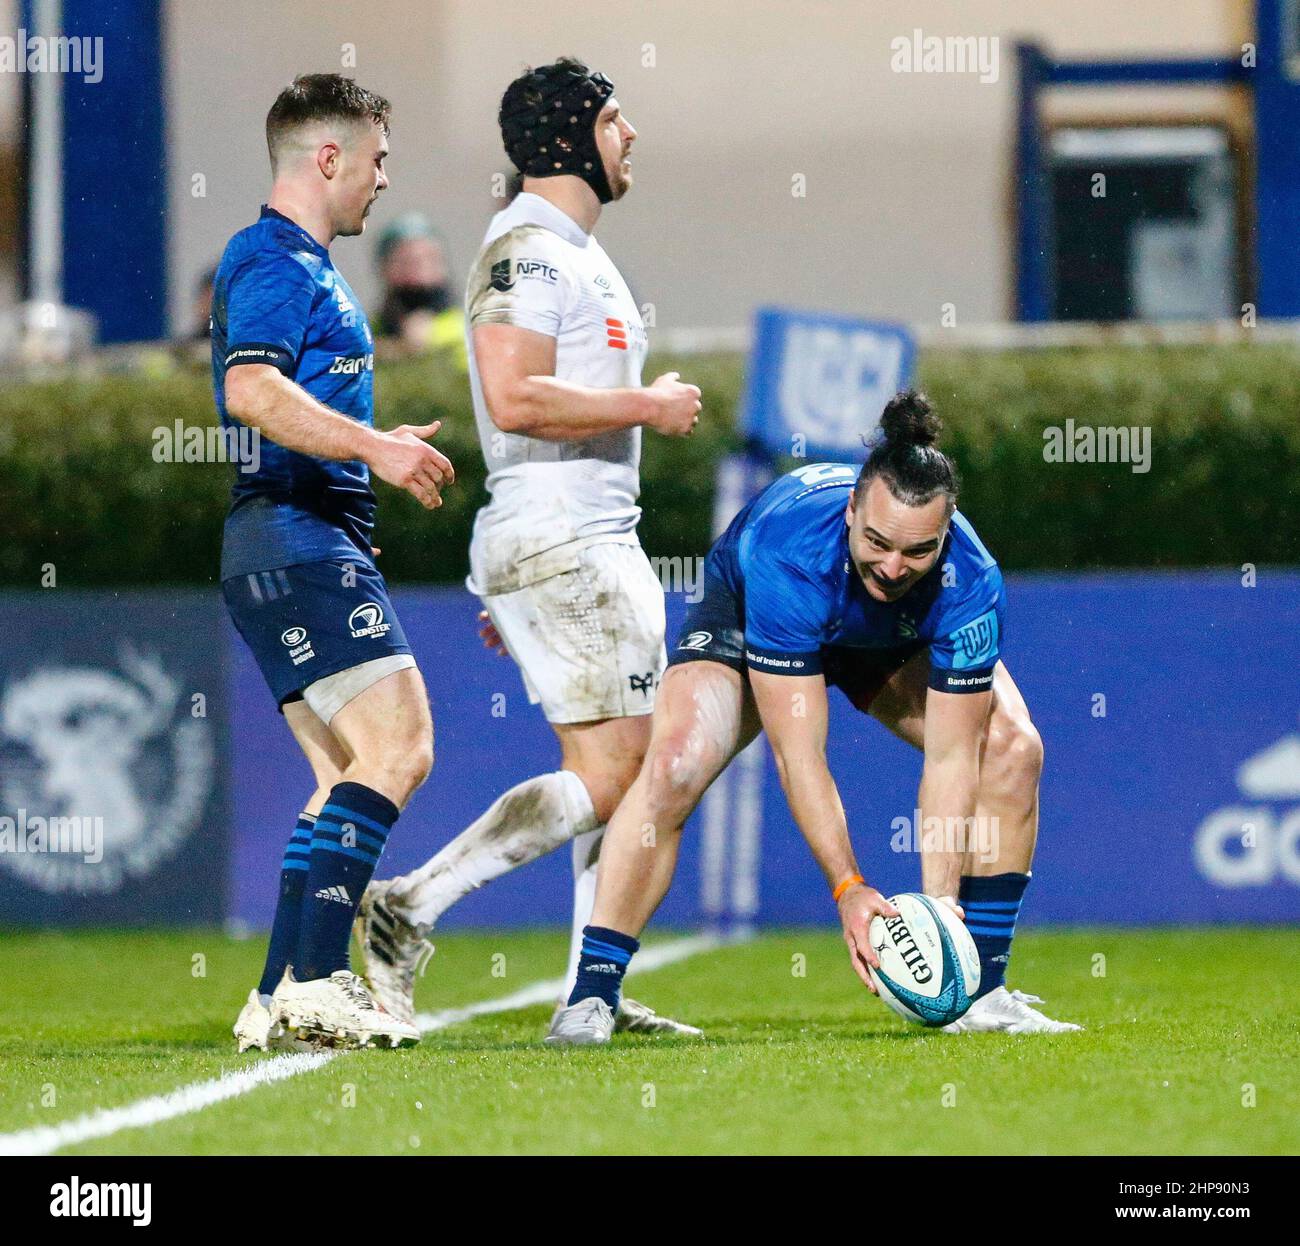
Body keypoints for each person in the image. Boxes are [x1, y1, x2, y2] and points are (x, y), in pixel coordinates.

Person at [548, 391, 1083, 1044]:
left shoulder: (970, 582)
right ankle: (593, 994)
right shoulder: (790, 557)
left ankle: (983, 990)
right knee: (674, 765)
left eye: (917, 553)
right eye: (878, 542)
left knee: (1011, 748)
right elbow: (798, 754)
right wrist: (850, 887)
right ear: (852, 511)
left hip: (891, 635)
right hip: (761, 611)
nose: (891, 566)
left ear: (946, 534)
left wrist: (940, 907)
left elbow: (952, 756)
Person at [355, 57, 703, 1038]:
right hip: (565, 533)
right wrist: (649, 402)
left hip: (576, 535)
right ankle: (412, 903)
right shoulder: (527, 248)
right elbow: (512, 397)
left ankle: (589, 991)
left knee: (620, 774)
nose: (628, 136)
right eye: (613, 118)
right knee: (621, 775)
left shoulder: (569, 250)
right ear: (569, 137)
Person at [217, 74, 455, 1051]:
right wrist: (377, 449)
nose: (383, 180)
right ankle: (319, 979)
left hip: (277, 545)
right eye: (378, 159)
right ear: (329, 158)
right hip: (297, 536)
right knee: (401, 749)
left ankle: (275, 992)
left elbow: (288, 394)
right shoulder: (277, 259)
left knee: (338, 779)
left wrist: (364, 434)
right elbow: (248, 388)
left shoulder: (301, 265)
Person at [372, 213, 466, 364]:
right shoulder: (367, 331)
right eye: (406, 261)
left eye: (429, 259)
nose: (419, 271)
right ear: (384, 268)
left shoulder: (467, 331)